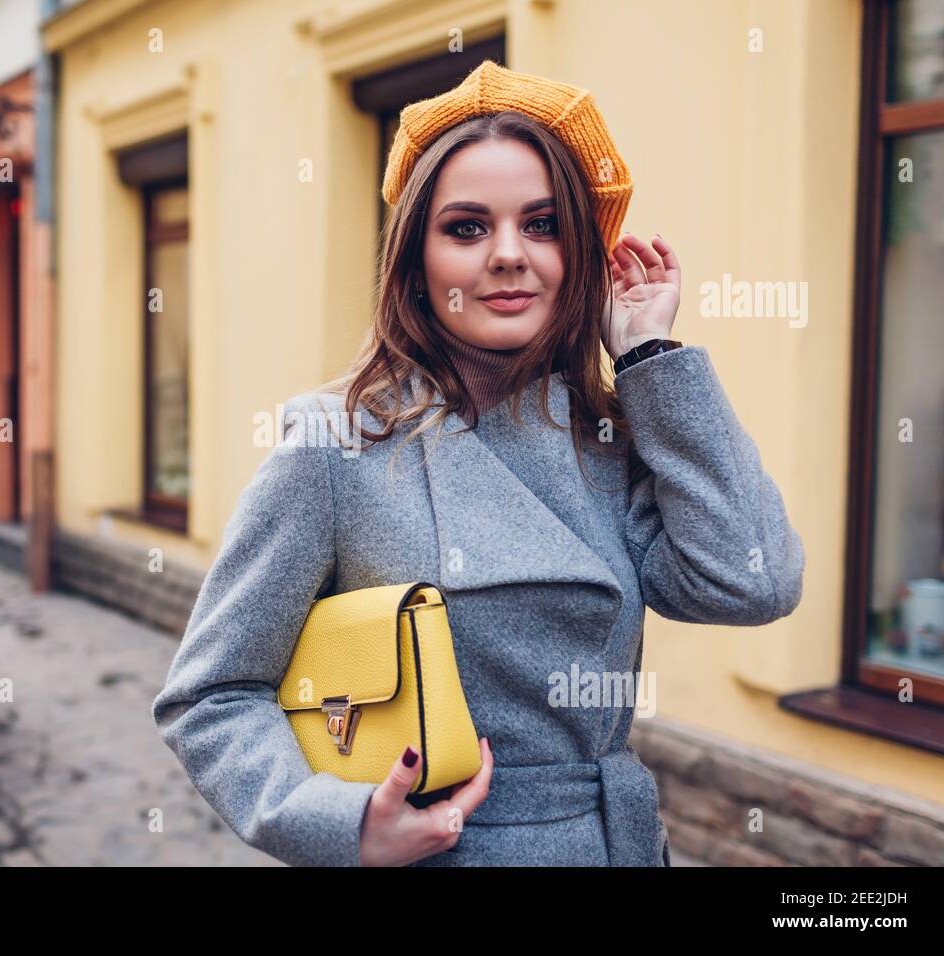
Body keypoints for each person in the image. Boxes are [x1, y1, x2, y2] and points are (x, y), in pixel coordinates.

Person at [151, 59, 805, 867]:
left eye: (542, 225)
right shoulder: (338, 445)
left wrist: (651, 362)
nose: (507, 255)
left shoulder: (603, 441)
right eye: (466, 227)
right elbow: (212, 695)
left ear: (579, 255)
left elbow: (753, 582)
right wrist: (341, 823)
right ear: (415, 263)